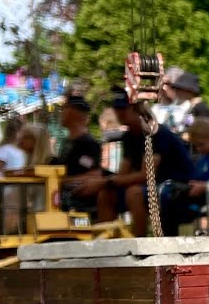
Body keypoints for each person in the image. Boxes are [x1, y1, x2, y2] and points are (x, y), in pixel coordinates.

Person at [72, 89, 194, 236]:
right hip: (153, 188)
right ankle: (107, 241)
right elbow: (123, 174)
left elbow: (147, 175)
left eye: (123, 108)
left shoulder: (156, 133)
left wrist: (103, 181)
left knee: (133, 192)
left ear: (137, 109)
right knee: (107, 193)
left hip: (176, 187)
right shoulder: (128, 137)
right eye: (116, 109)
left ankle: (139, 243)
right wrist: (104, 183)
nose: (119, 113)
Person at [54, 95, 116, 220]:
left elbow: (96, 175)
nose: (61, 113)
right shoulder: (66, 143)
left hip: (79, 204)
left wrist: (61, 181)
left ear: (72, 111)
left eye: (64, 109)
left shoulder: (88, 144)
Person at [166, 72, 209, 139]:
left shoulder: (200, 107)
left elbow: (205, 131)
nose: (177, 92)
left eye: (180, 89)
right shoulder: (190, 106)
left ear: (190, 90)